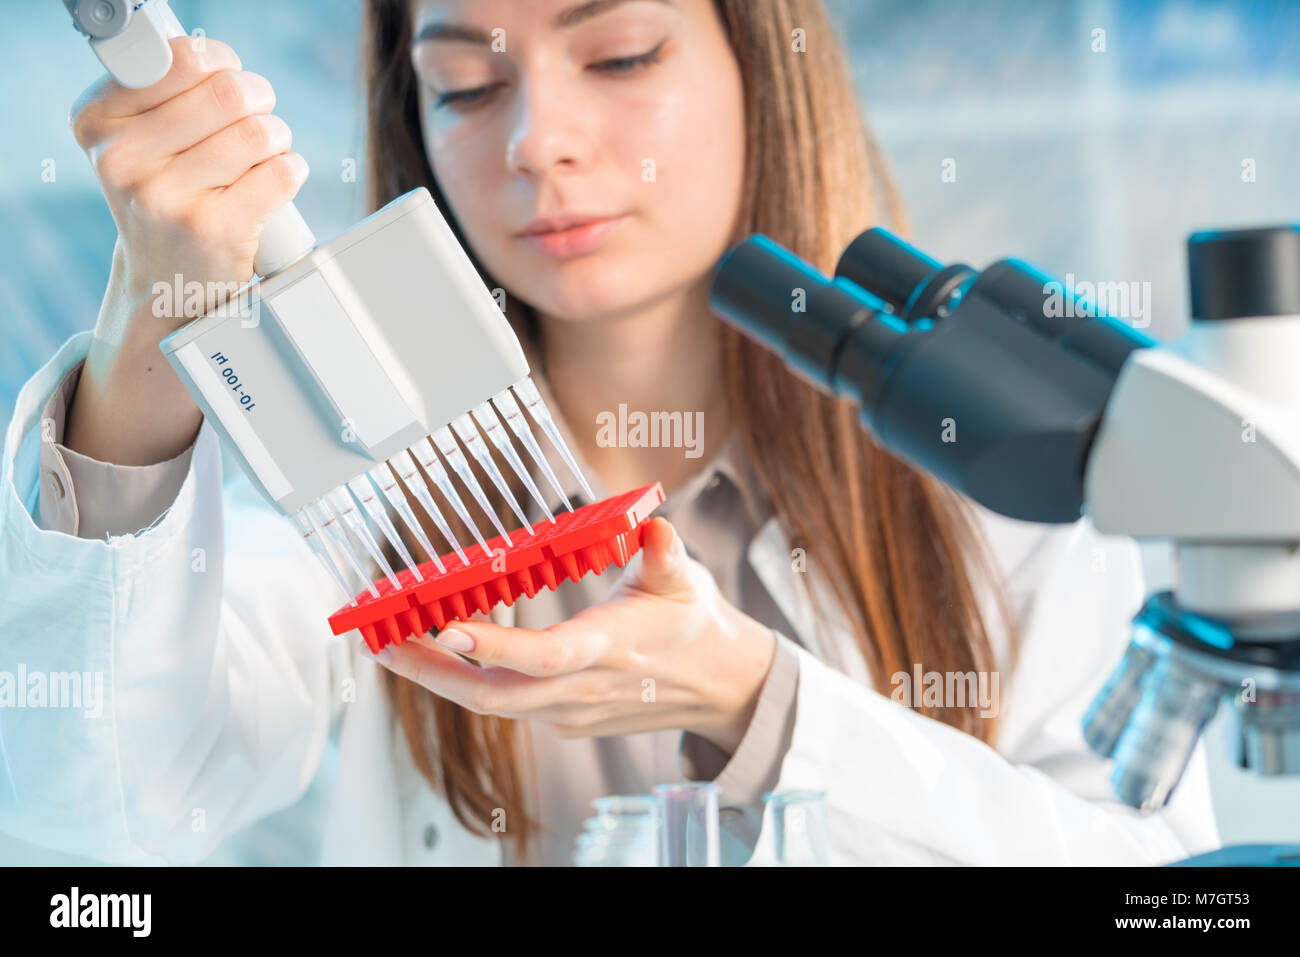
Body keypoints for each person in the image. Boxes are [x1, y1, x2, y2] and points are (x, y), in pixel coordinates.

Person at [0, 0, 1219, 865]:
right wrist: (154, 330)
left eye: (621, 53)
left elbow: (1157, 890)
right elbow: (93, 817)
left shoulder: (988, 478)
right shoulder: (352, 503)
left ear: (761, 61)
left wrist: (758, 705)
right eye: (467, 85)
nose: (536, 140)